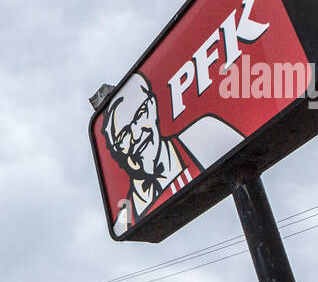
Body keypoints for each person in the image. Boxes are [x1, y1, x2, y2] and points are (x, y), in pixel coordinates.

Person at [101, 73, 244, 236]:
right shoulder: (124, 221)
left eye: (140, 114)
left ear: (153, 106)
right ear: (117, 150)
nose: (137, 133)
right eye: (123, 135)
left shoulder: (204, 136)